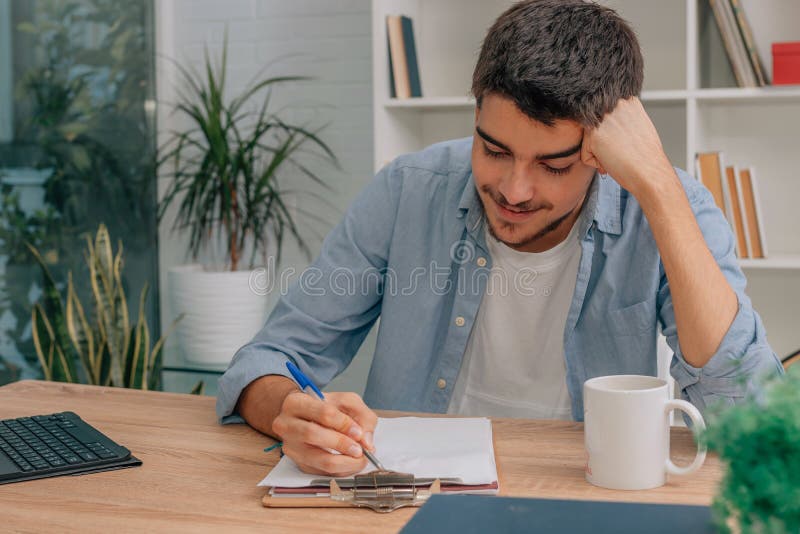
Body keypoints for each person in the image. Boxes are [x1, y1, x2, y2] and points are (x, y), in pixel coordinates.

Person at [215, 0, 782, 476]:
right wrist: (293, 409)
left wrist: (659, 188)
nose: (513, 189)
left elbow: (753, 421)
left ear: (603, 152)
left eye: (553, 166)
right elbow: (268, 359)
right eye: (493, 149)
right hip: (404, 497)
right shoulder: (407, 191)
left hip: (580, 495)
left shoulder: (671, 207)